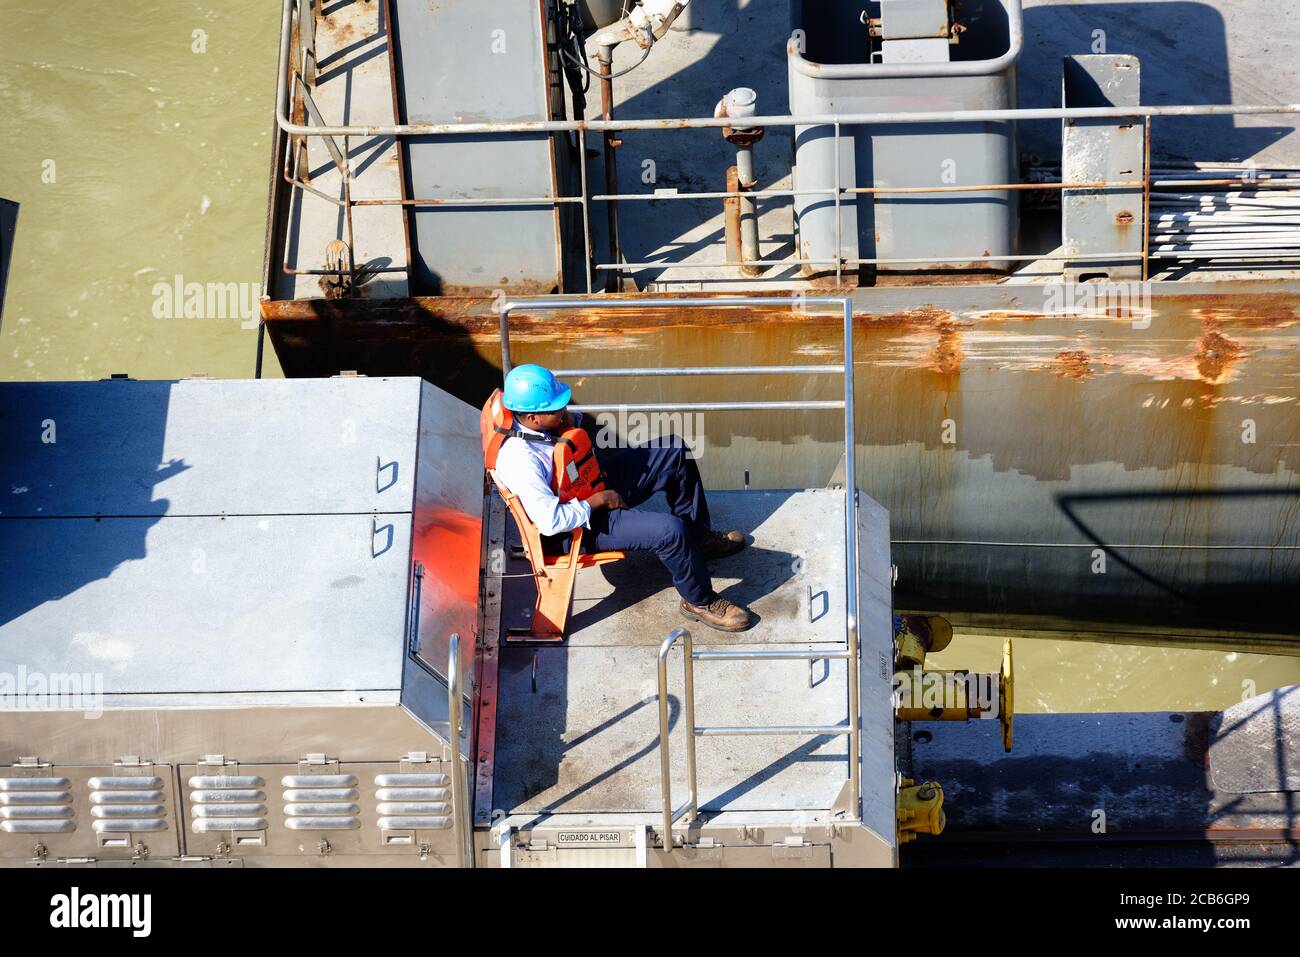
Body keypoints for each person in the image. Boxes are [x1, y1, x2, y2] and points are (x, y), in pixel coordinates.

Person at [492, 363, 756, 632]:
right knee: (670, 530)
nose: (565, 409)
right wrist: (599, 501)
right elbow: (550, 522)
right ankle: (699, 601)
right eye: (558, 407)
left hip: (586, 484)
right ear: (534, 418)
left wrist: (567, 423)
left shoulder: (536, 424)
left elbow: (571, 430)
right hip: (576, 528)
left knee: (674, 450)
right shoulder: (521, 460)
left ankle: (697, 539)